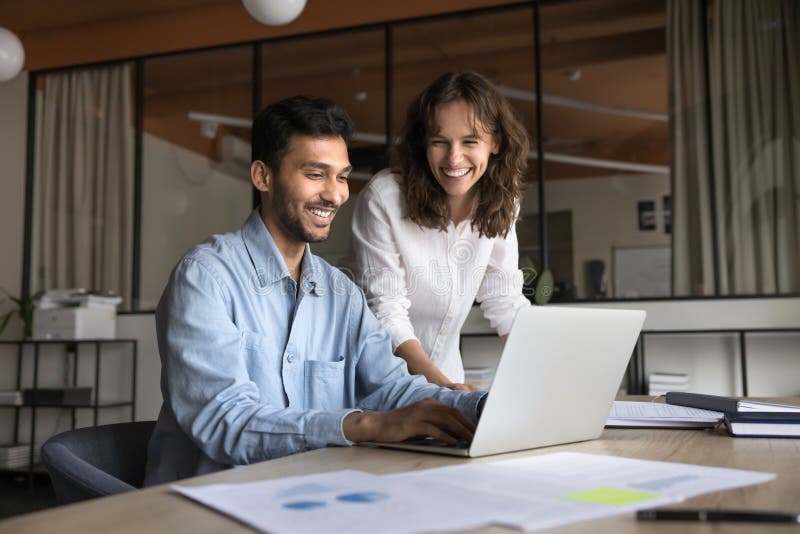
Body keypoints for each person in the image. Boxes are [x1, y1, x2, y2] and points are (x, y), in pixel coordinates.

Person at [144, 96, 485, 486]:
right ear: (263, 176)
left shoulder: (341, 293)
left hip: (310, 498)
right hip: (207, 505)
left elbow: (393, 389)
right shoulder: (204, 278)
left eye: (341, 177)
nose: (336, 194)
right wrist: (366, 425)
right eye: (315, 174)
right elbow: (228, 421)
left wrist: (482, 406)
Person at [352, 71, 531, 390]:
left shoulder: (502, 202)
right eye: (440, 142)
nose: (453, 158)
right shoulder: (384, 199)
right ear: (423, 143)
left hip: (449, 379)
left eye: (470, 141)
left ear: (496, 143)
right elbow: (386, 311)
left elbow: (504, 298)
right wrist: (442, 389)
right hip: (381, 384)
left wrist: (549, 371)